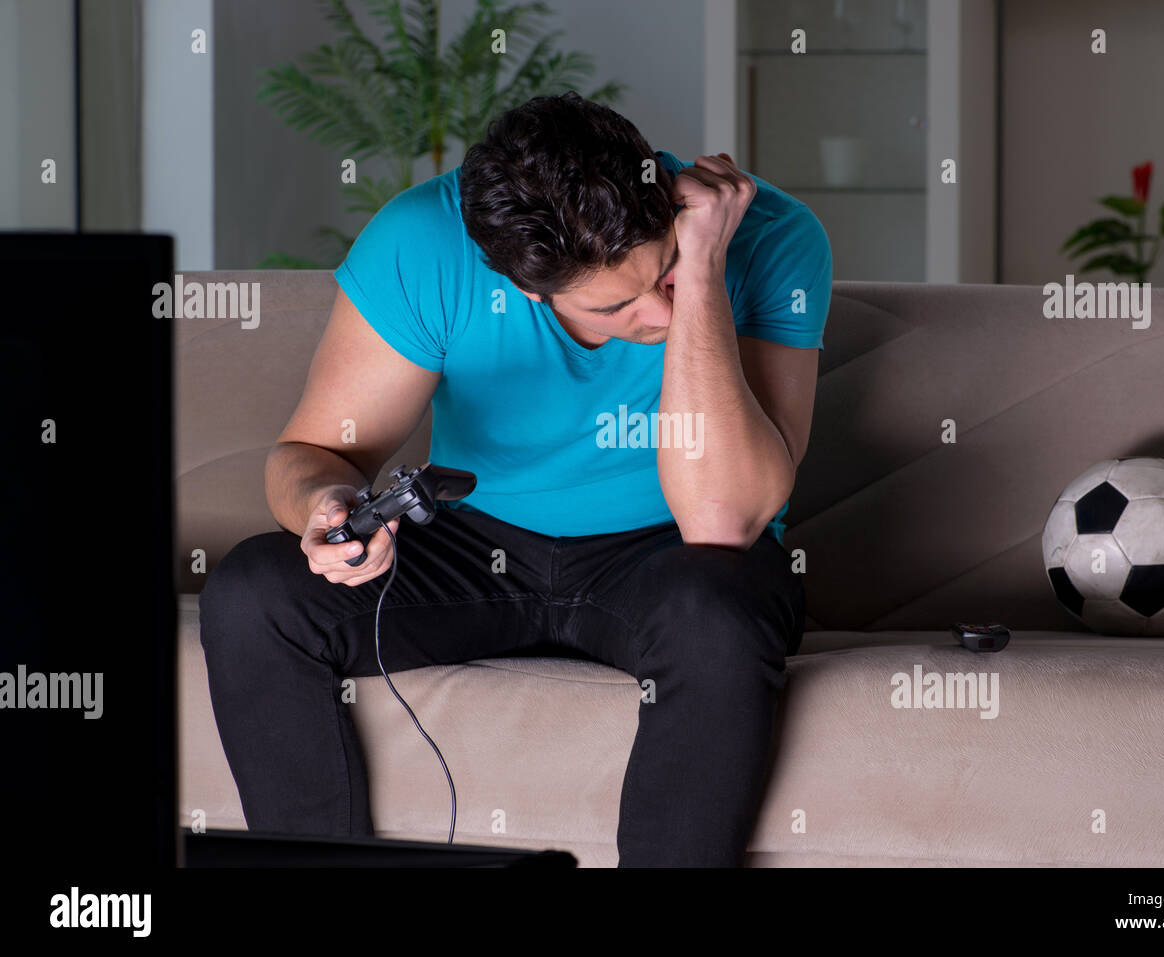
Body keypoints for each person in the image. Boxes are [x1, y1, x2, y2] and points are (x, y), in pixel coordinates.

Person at [198, 91, 832, 867]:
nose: (658, 318)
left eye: (659, 273)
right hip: (477, 541)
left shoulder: (770, 236)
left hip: (674, 557)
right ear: (528, 286)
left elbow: (723, 520)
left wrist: (699, 266)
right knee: (253, 592)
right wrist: (324, 507)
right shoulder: (425, 242)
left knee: (717, 613)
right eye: (616, 305)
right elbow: (310, 453)